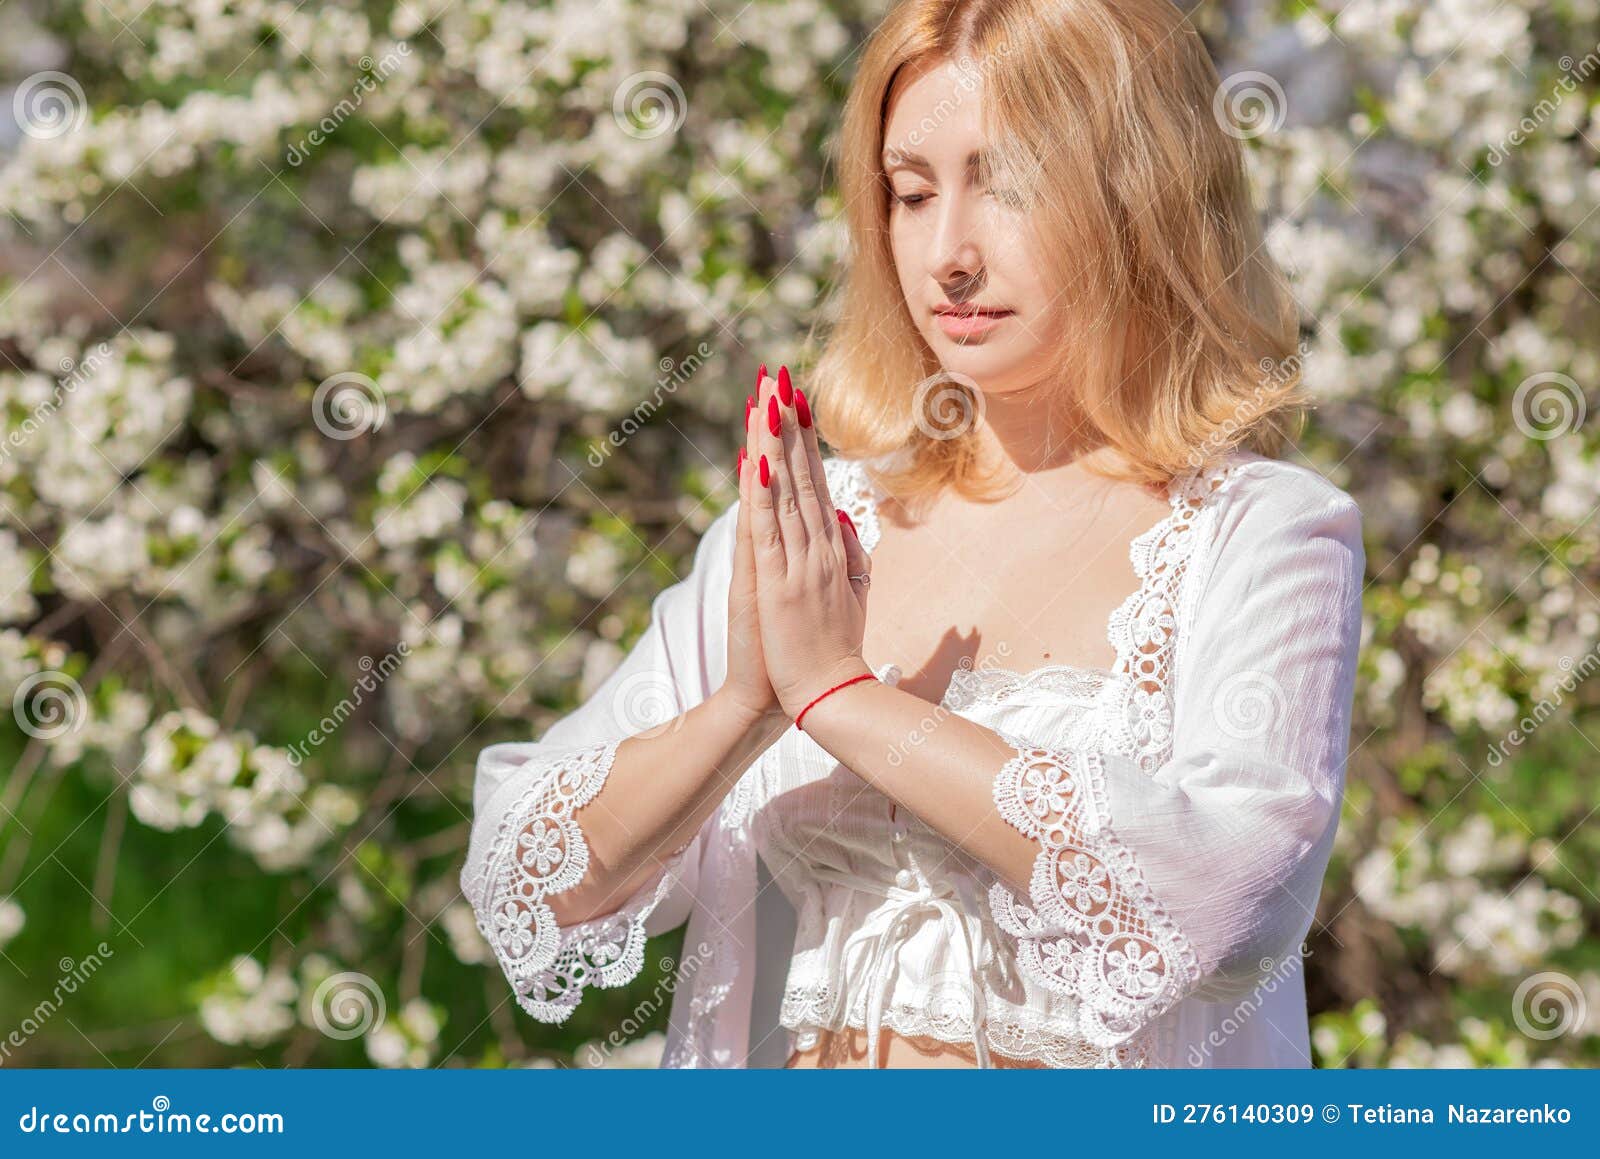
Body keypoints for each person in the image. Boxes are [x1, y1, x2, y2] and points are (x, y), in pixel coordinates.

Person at [460, 0, 1365, 1069]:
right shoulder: (811, 534)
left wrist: (842, 698)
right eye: (912, 193)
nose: (948, 256)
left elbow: (1229, 905)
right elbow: (526, 880)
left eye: (1009, 185)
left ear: (1142, 195)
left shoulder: (1262, 534)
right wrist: (746, 706)